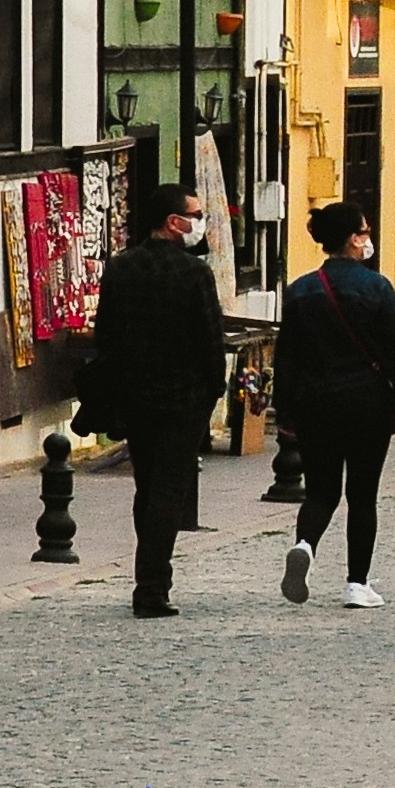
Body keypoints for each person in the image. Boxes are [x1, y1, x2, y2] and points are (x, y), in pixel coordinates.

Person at [78, 183, 224, 617]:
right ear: (173, 222)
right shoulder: (195, 274)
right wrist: (211, 391)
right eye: (195, 215)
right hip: (183, 398)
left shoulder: (122, 268)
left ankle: (149, 578)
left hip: (135, 395)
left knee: (147, 487)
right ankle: (152, 587)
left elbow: (106, 333)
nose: (201, 222)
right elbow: (209, 341)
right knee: (169, 490)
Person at [271, 198, 395, 609]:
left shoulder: (301, 290)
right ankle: (357, 583)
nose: (368, 240)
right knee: (362, 494)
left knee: (321, 491)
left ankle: (305, 546)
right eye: (365, 232)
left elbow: (287, 357)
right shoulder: (377, 287)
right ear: (352, 240)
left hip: (316, 404)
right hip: (368, 402)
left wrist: (286, 411)